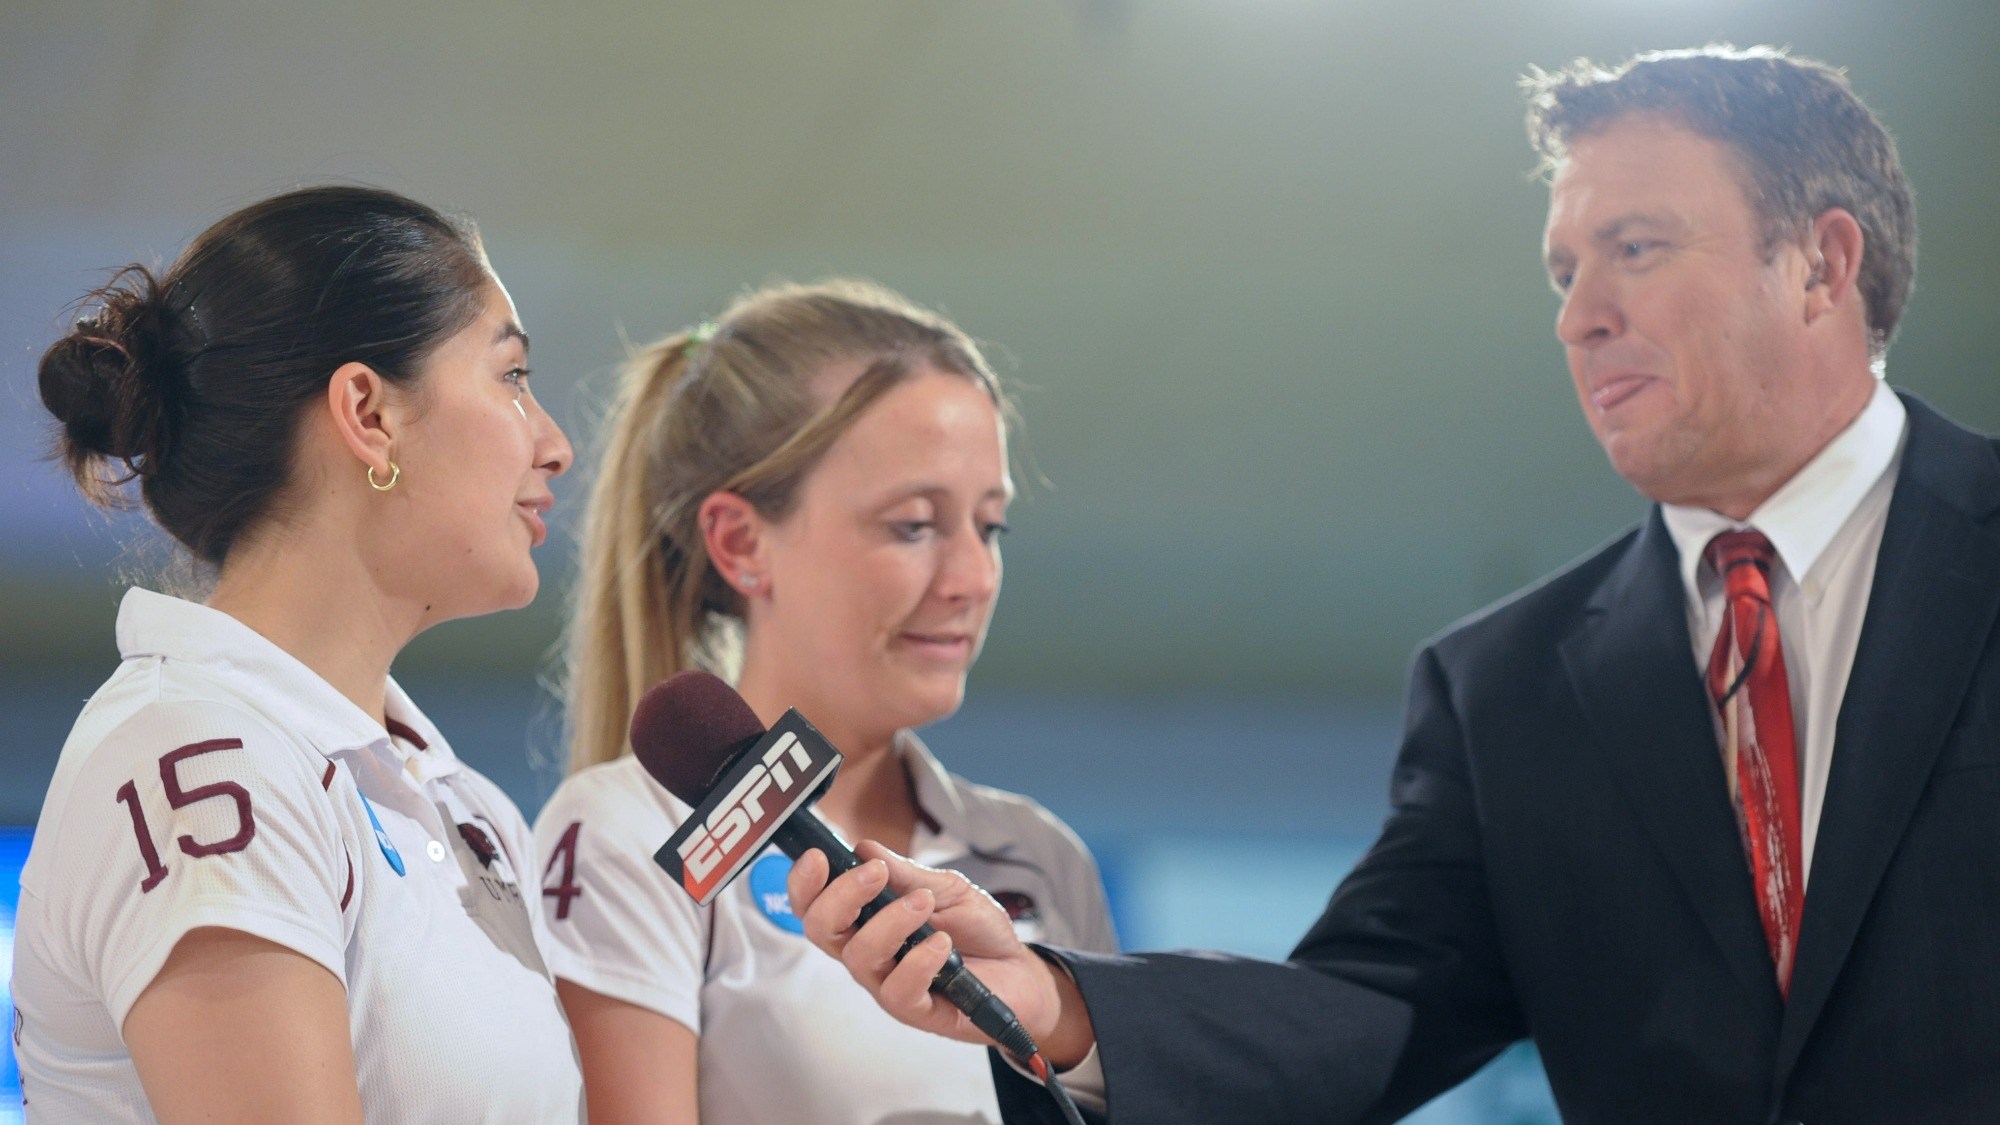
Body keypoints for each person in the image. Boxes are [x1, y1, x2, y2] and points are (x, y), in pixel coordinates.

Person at [791, 45, 2000, 1124]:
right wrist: (1052, 1003)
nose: (1579, 314)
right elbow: (1363, 1012)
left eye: (1633, 248)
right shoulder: (1507, 689)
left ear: (1821, 266)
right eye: (1562, 270)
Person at [15, 186, 583, 1123]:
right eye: (512, 376)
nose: (554, 444)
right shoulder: (194, 755)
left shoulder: (465, 805)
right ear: (368, 412)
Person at [531, 279, 1118, 1124]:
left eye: (990, 527)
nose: (972, 578)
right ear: (741, 542)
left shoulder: (1041, 854)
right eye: (915, 525)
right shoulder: (628, 828)